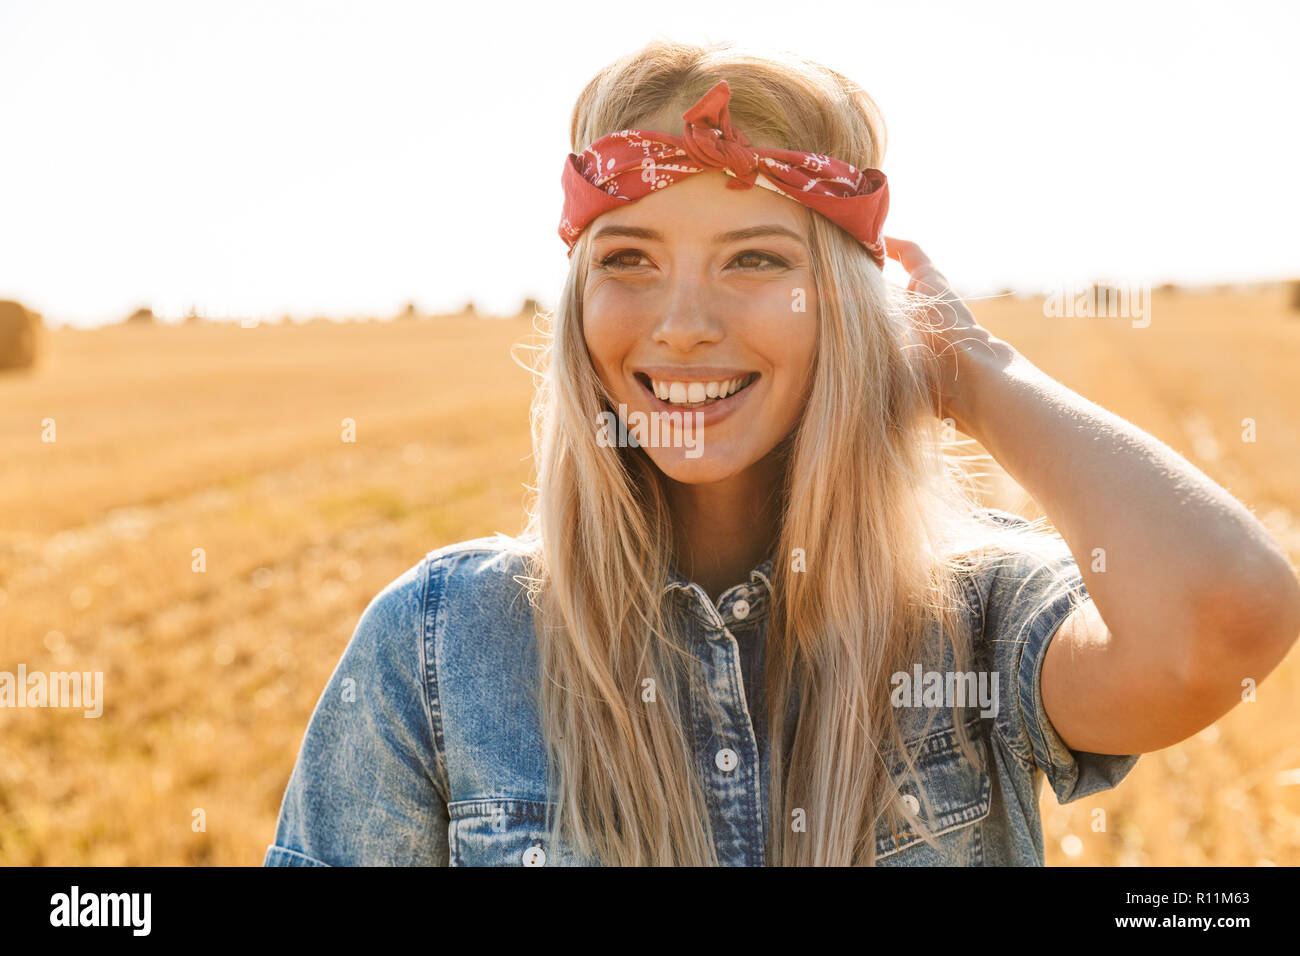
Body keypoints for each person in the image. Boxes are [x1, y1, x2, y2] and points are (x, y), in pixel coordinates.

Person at [263, 39, 1300, 866]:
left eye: (754, 259)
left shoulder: (973, 620)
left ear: (844, 308)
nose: (680, 324)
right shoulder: (437, 651)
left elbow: (1222, 621)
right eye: (629, 259)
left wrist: (970, 367)